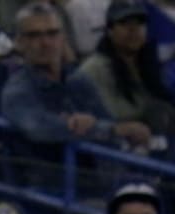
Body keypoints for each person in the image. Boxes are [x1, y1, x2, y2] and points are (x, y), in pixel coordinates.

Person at [0, 2, 153, 172]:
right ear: (20, 42)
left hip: (96, 177)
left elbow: (106, 123)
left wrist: (104, 129)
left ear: (63, 38)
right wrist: (90, 127)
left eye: (52, 34)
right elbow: (37, 127)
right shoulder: (17, 90)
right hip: (46, 184)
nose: (45, 43)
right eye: (34, 36)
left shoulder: (78, 81)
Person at [70, 0, 175, 138]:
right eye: (125, 23)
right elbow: (103, 117)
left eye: (140, 23)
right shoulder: (94, 69)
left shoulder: (148, 66)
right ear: (110, 30)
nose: (134, 29)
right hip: (116, 145)